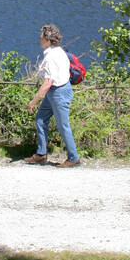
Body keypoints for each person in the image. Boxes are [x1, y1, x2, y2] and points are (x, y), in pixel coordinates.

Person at [25, 24, 80, 166]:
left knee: (63, 126)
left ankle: (73, 158)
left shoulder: (50, 57)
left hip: (58, 92)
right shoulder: (59, 51)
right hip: (57, 91)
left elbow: (47, 83)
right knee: (41, 118)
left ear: (48, 40)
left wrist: (33, 101)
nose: (39, 39)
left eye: (41, 36)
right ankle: (41, 154)